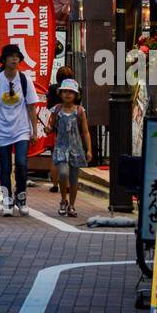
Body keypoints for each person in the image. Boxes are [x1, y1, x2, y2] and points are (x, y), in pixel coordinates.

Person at [0, 43, 40, 217]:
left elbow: (31, 107)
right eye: (11, 56)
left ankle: (21, 197)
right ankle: (7, 200)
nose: (15, 59)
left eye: (17, 56)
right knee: (5, 168)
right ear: (4, 60)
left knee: (22, 163)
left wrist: (34, 131)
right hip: (1, 129)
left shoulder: (24, 80)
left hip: (21, 128)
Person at [47, 78, 92, 218]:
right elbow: (51, 126)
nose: (67, 94)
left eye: (71, 92)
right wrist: (48, 129)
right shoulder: (57, 109)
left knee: (74, 179)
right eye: (65, 91)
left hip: (76, 149)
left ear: (76, 95)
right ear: (60, 94)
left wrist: (89, 150)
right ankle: (63, 200)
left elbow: (85, 131)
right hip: (61, 148)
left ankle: (71, 205)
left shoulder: (80, 111)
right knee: (63, 173)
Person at [46, 66, 76, 192]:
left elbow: (49, 105)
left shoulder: (53, 88)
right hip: (71, 123)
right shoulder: (75, 88)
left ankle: (54, 184)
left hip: (56, 121)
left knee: (55, 155)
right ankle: (68, 184)